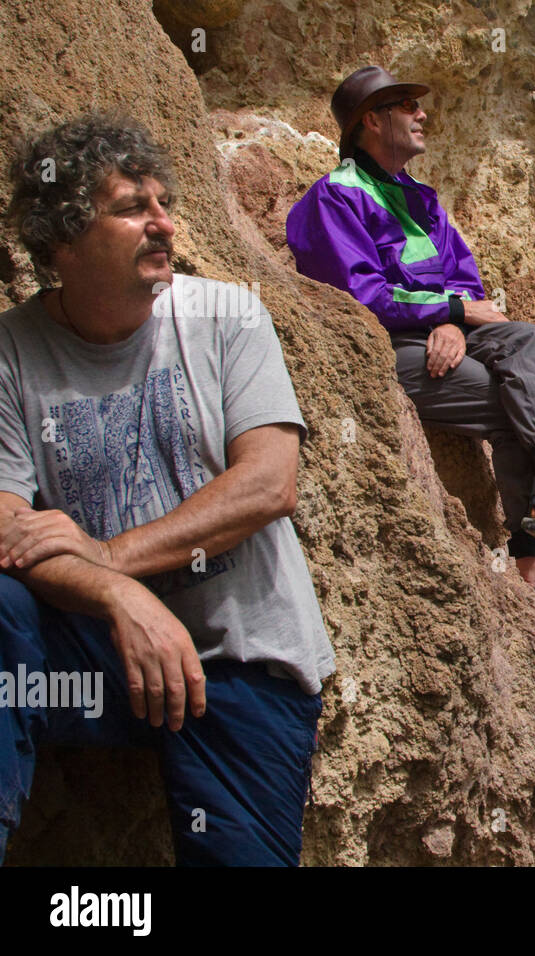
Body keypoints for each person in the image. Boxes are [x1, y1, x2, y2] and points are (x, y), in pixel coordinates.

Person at [0, 113, 335, 865]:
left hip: (239, 659)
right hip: (98, 652)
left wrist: (111, 558)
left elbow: (267, 484)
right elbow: (6, 528)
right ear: (61, 241)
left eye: (163, 203)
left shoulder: (227, 315)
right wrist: (120, 597)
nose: (162, 223)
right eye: (131, 208)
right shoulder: (10, 352)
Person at [286, 66, 535, 633]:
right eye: (407, 107)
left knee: (529, 337)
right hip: (382, 349)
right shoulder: (333, 198)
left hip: (441, 338)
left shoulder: (422, 199)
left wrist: (455, 322)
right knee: (512, 407)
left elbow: (468, 285)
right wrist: (446, 313)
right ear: (372, 120)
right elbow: (361, 295)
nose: (423, 116)